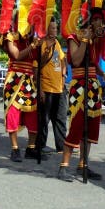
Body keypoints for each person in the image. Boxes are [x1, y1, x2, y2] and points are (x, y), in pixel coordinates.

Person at [60, 7, 105, 182]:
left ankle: (83, 164)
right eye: (96, 19)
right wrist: (85, 40)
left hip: (93, 86)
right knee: (77, 125)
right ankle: (64, 165)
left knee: (92, 127)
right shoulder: (74, 37)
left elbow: (93, 62)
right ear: (89, 21)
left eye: (100, 20)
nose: (99, 23)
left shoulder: (96, 40)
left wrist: (104, 75)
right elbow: (77, 60)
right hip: (79, 85)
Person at [2, 18, 40, 162]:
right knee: (13, 114)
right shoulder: (11, 37)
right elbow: (17, 55)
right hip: (15, 80)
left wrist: (44, 48)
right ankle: (15, 148)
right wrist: (32, 46)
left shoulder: (33, 39)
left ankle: (31, 148)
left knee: (33, 115)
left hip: (29, 81)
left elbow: (37, 63)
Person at [38, 19, 66, 154]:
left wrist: (64, 74)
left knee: (60, 117)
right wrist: (47, 50)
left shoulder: (57, 43)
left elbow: (62, 59)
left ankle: (61, 146)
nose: (55, 30)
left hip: (59, 87)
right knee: (44, 118)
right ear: (47, 30)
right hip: (46, 86)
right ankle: (40, 145)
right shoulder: (42, 43)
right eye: (53, 28)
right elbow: (39, 64)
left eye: (56, 28)